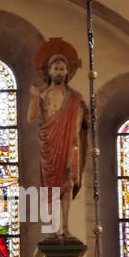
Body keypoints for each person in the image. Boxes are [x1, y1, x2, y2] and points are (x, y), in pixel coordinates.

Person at [27, 38, 89, 237]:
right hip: (49, 144)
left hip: (71, 143)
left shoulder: (75, 97)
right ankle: (53, 228)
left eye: (63, 69)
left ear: (68, 72)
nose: (60, 72)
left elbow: (83, 121)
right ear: (48, 71)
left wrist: (88, 117)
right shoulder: (42, 94)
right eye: (56, 68)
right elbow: (30, 119)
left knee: (69, 183)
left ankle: (65, 227)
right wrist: (35, 98)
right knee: (52, 187)